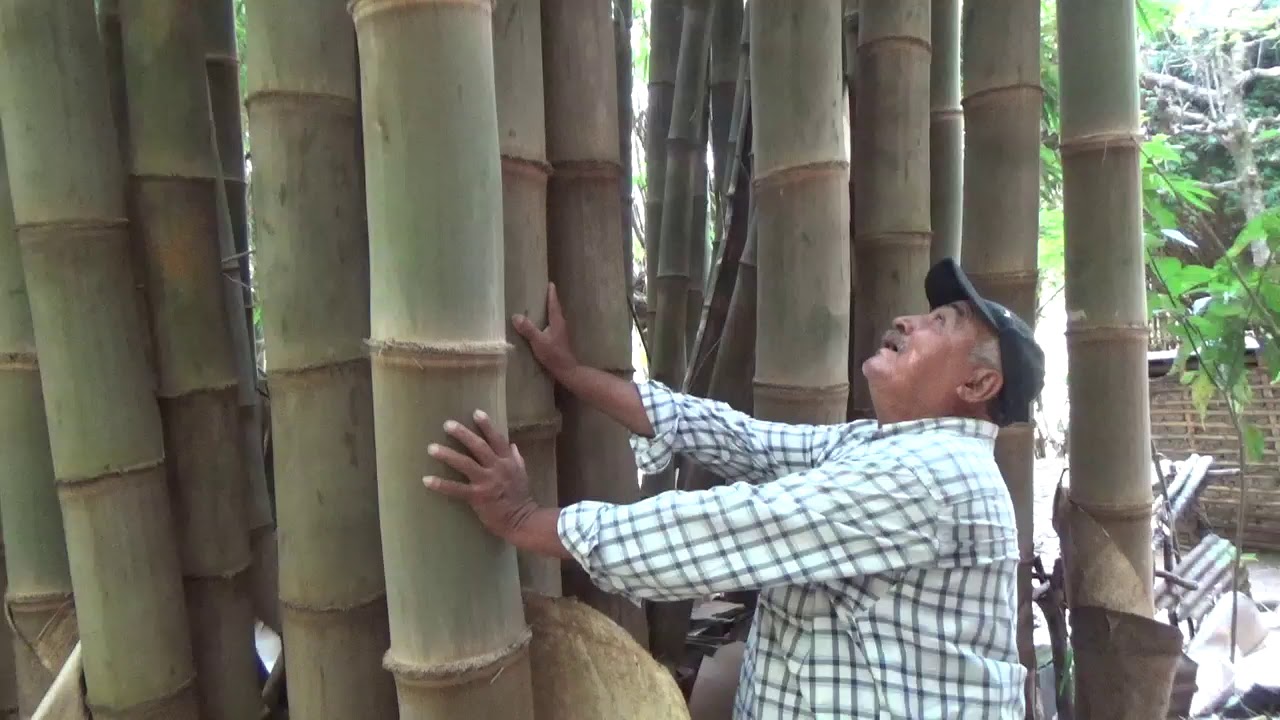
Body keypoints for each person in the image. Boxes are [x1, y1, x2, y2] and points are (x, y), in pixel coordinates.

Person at [422, 258, 1045, 719]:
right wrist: (575, 374)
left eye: (940, 322)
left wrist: (525, 519)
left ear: (976, 386)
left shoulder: (933, 476)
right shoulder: (876, 446)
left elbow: (732, 528)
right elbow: (740, 439)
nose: (907, 320)